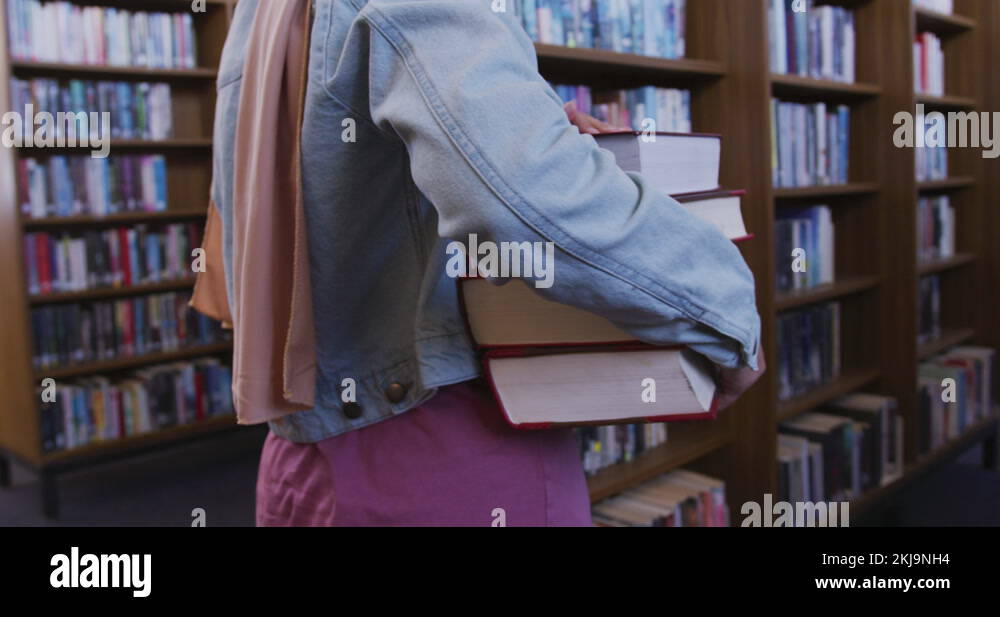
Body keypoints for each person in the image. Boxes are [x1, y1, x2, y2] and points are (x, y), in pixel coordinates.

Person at [195, 0, 764, 526]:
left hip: (302, 459)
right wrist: (724, 311)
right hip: (443, 456)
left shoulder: (257, 11)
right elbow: (526, 201)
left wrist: (524, 123)